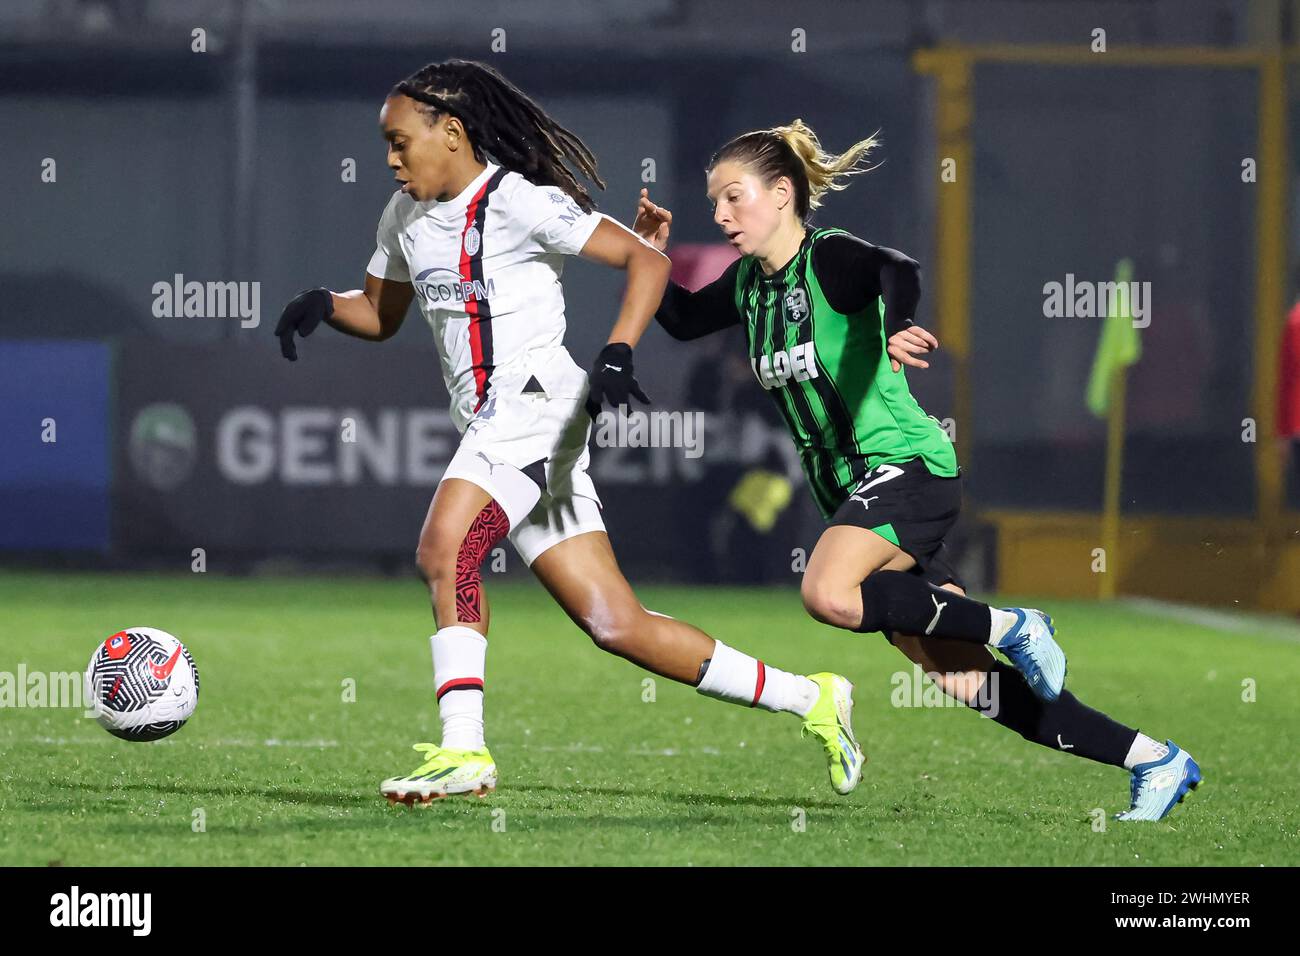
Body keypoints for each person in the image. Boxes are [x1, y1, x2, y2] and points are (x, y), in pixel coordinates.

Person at [273, 63, 863, 804]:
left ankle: (464, 751)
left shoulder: (519, 203)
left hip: (537, 405)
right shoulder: (403, 219)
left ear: (450, 134)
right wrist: (325, 304)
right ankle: (810, 697)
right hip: (499, 424)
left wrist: (618, 349)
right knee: (618, 623)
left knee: (444, 547)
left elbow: (644, 257)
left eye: (400, 142)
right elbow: (381, 314)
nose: (390, 159)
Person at [634, 119, 1201, 821]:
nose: (720, 214)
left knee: (829, 594)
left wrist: (899, 320)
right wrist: (646, 257)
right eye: (714, 200)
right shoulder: (750, 286)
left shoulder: (829, 258)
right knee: (969, 683)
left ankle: (1013, 623)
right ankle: (1153, 758)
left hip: (908, 467)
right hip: (856, 494)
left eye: (733, 197)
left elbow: (896, 268)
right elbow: (685, 320)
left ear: (782, 194)